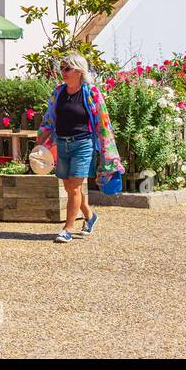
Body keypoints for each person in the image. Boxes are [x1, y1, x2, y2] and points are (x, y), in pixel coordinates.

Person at [35, 52, 123, 244]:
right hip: (62, 144)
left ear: (79, 70)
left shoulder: (90, 92)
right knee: (69, 187)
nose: (63, 72)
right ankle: (90, 216)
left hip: (83, 144)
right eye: (62, 68)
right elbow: (49, 118)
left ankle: (67, 229)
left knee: (74, 187)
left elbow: (103, 121)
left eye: (67, 68)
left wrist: (108, 151)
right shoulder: (58, 92)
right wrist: (41, 139)